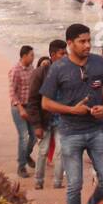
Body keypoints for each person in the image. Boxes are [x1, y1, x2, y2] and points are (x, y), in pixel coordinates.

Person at [40, 23, 103, 204]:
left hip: (98, 129)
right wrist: (71, 110)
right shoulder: (58, 68)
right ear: (70, 43)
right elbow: (46, 103)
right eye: (82, 41)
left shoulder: (99, 63)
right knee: (75, 184)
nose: (87, 45)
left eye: (89, 40)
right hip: (70, 132)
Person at [27, 40, 66, 190]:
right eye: (62, 53)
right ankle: (39, 181)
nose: (65, 56)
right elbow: (32, 101)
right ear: (53, 55)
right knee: (43, 151)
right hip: (45, 120)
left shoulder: (68, 72)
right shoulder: (40, 73)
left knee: (62, 150)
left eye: (66, 53)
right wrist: (36, 125)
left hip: (62, 120)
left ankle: (57, 182)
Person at [8, 45, 37, 178]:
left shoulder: (32, 69)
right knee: (24, 136)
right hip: (18, 107)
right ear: (24, 56)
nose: (33, 57)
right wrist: (20, 109)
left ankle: (25, 155)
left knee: (34, 136)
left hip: (30, 107)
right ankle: (21, 167)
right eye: (31, 55)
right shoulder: (15, 70)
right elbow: (12, 93)